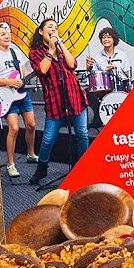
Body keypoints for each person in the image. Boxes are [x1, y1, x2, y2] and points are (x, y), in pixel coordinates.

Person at [27, 18, 89, 185]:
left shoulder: (62, 48)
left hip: (74, 97)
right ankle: (41, 169)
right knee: (48, 139)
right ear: (41, 32)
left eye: (55, 28)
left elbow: (72, 64)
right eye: (50, 27)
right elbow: (42, 70)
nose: (53, 30)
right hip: (54, 100)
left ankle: (81, 167)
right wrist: (51, 51)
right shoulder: (35, 52)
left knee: (82, 134)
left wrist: (60, 45)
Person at [0, 22, 37, 177]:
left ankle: (31, 153)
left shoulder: (16, 52)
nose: (7, 36)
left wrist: (34, 73)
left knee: (31, 125)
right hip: (6, 96)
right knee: (14, 128)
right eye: (2, 34)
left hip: (21, 93)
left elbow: (24, 72)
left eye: (8, 32)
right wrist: (8, 82)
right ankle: (10, 163)